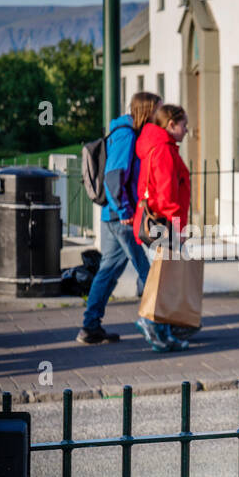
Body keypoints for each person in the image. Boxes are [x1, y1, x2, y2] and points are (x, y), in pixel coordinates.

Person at [77, 91, 162, 344]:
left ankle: (90, 328)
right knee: (147, 271)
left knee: (108, 271)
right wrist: (125, 211)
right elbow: (115, 176)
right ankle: (161, 326)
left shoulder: (126, 132)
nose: (160, 114)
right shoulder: (126, 135)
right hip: (120, 217)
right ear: (146, 111)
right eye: (157, 109)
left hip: (112, 215)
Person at [133, 103, 193, 352]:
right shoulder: (164, 150)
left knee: (164, 280)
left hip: (154, 222)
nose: (187, 130)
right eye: (183, 125)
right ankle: (149, 323)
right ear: (171, 124)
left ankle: (166, 333)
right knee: (163, 281)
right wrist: (178, 226)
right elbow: (166, 194)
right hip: (164, 225)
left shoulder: (154, 146)